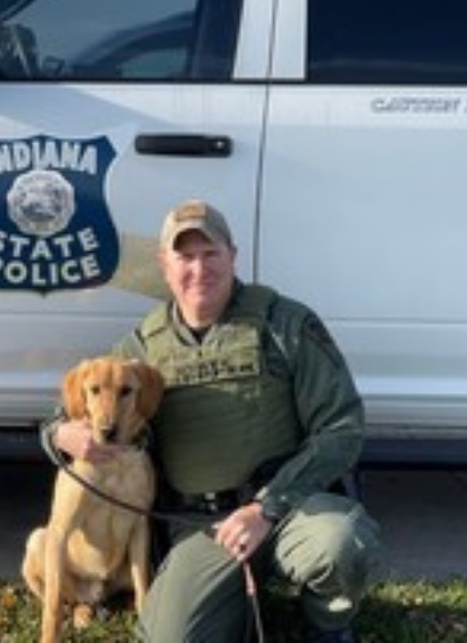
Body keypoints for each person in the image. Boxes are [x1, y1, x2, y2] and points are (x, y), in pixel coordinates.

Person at [46, 199, 383, 642]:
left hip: (288, 507)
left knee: (342, 543)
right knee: (172, 636)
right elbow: (74, 411)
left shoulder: (283, 323)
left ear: (233, 256)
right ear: (164, 265)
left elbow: (342, 427)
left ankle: (328, 625)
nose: (199, 269)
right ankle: (236, 598)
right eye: (185, 256)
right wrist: (59, 435)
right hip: (205, 526)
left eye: (211, 254)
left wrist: (266, 507)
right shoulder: (144, 345)